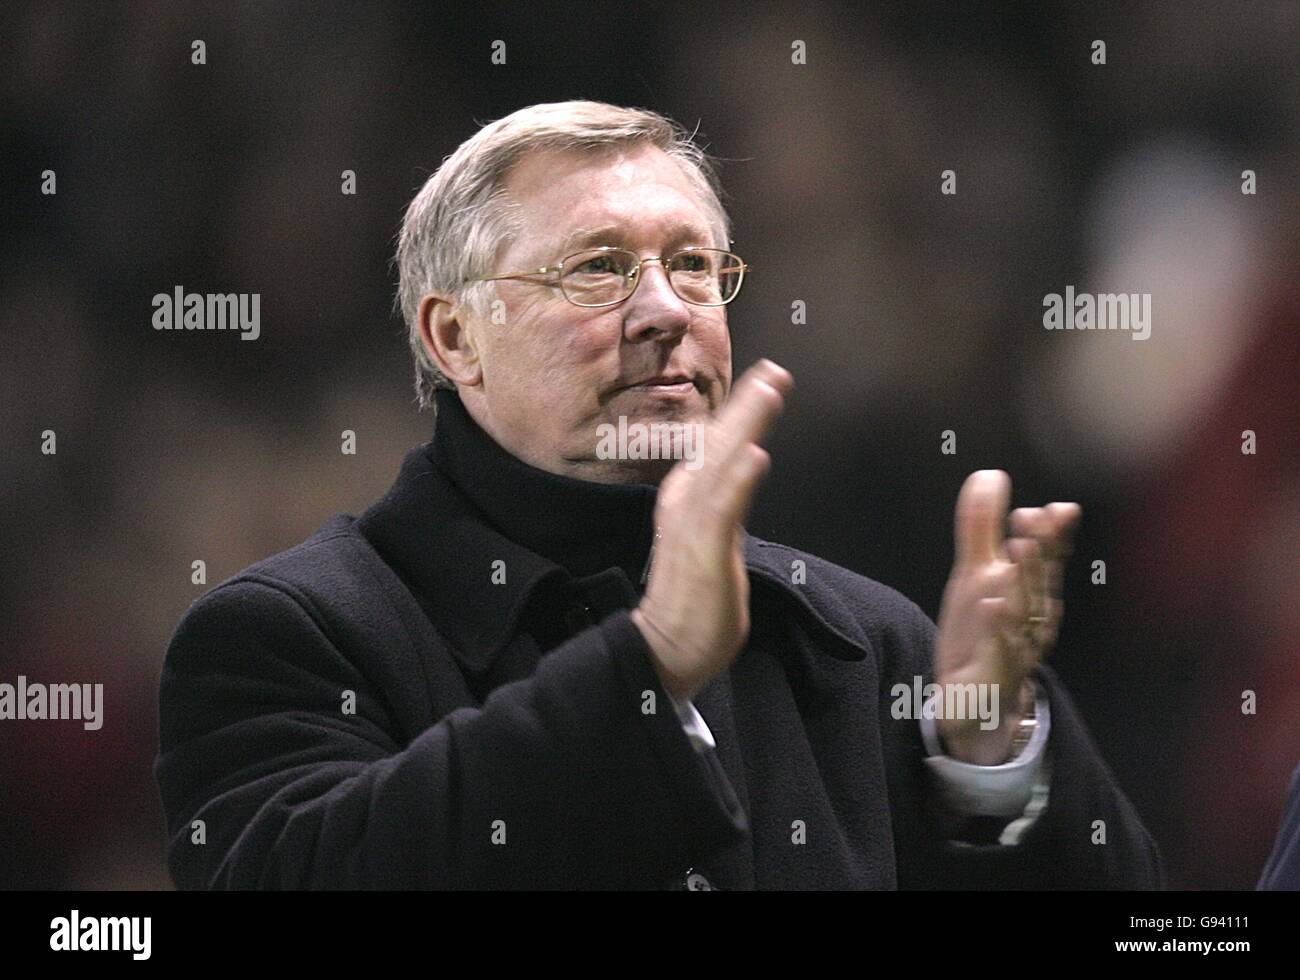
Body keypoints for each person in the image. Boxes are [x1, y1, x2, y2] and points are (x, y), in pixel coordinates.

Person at [154, 100, 1163, 889]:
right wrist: (647, 665)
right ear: (453, 336)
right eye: (597, 269)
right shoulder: (287, 637)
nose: (664, 311)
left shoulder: (866, 642)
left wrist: (982, 754)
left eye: (691, 265)